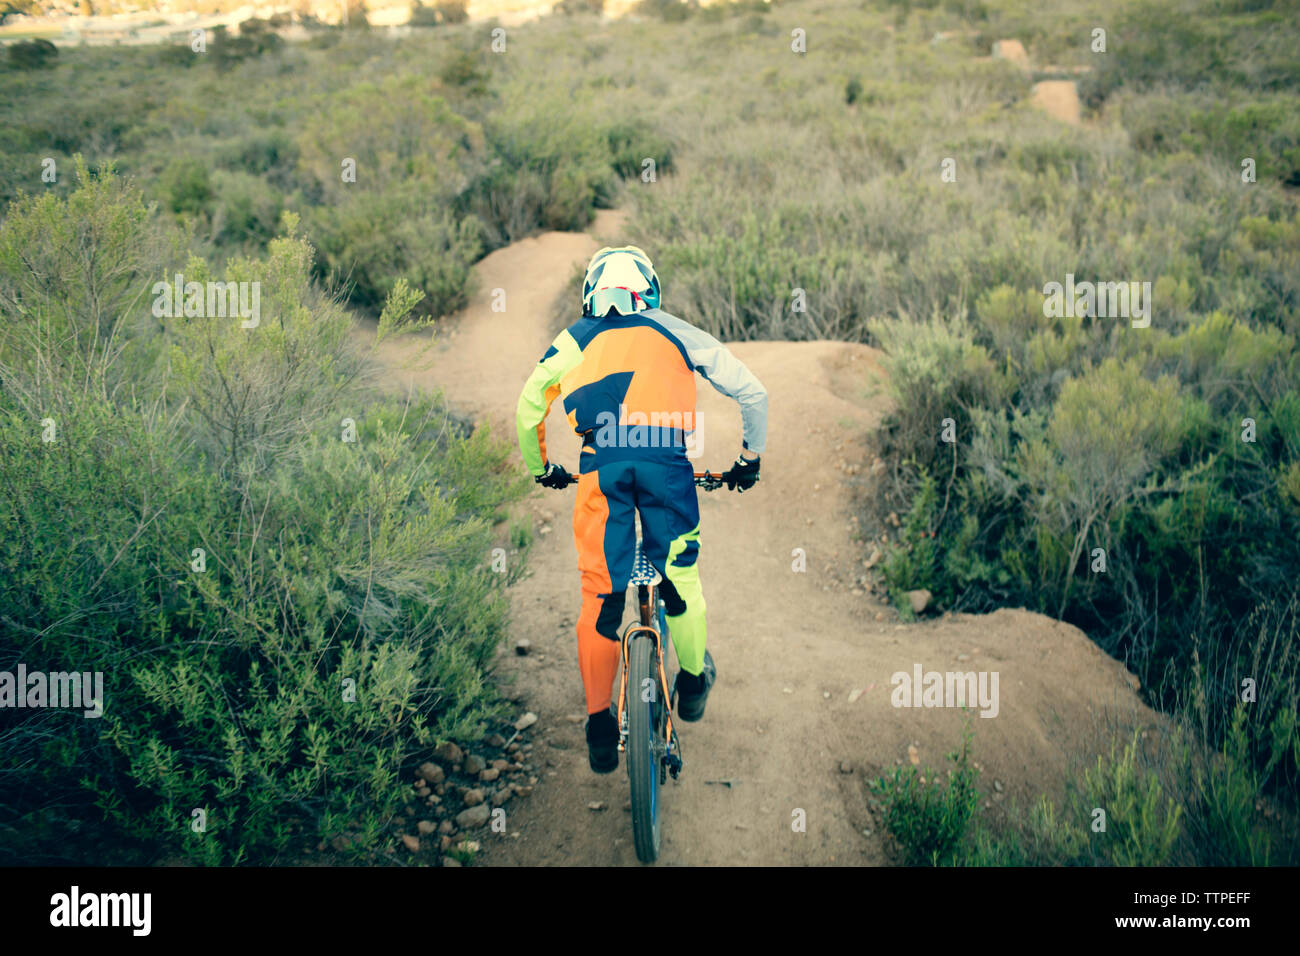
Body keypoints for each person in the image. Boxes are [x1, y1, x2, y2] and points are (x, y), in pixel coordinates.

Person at [515, 245, 768, 773]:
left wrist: (542, 467)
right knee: (680, 579)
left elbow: (528, 406)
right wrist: (748, 459)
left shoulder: (572, 340)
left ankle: (599, 727)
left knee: (600, 596)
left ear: (591, 292)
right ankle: (693, 684)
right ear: (649, 289)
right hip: (666, 468)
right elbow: (752, 391)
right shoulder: (674, 329)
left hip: (599, 471)